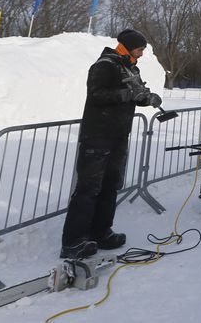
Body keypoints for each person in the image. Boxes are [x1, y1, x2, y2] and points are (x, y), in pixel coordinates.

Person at [61, 29, 162, 259]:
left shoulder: (130, 67)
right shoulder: (104, 65)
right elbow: (97, 94)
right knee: (88, 188)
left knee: (110, 185)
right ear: (126, 46)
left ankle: (101, 232)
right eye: (139, 49)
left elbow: (134, 93)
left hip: (118, 135)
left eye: (144, 50)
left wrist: (147, 97)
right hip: (98, 135)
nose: (142, 53)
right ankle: (73, 241)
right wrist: (128, 94)